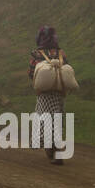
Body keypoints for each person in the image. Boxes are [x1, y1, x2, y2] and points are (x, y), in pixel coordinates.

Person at [29, 25, 66, 165]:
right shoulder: (61, 52)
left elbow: (31, 73)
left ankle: (50, 149)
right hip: (58, 94)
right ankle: (57, 153)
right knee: (56, 121)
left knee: (44, 120)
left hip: (43, 94)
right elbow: (66, 67)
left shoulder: (37, 54)